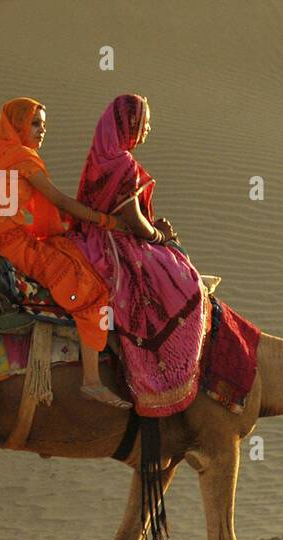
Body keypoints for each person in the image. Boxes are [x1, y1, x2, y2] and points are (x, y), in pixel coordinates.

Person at [0, 97, 130, 408]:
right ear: (17, 124)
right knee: (91, 292)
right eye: (35, 123)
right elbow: (58, 200)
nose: (41, 131)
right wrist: (107, 221)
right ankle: (91, 381)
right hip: (15, 244)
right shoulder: (22, 158)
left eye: (44, 125)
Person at [67, 94, 205, 417]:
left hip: (92, 237)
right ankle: (163, 374)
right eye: (143, 123)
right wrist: (159, 236)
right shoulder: (123, 164)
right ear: (128, 124)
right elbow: (133, 219)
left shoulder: (100, 156)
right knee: (182, 282)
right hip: (114, 246)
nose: (146, 130)